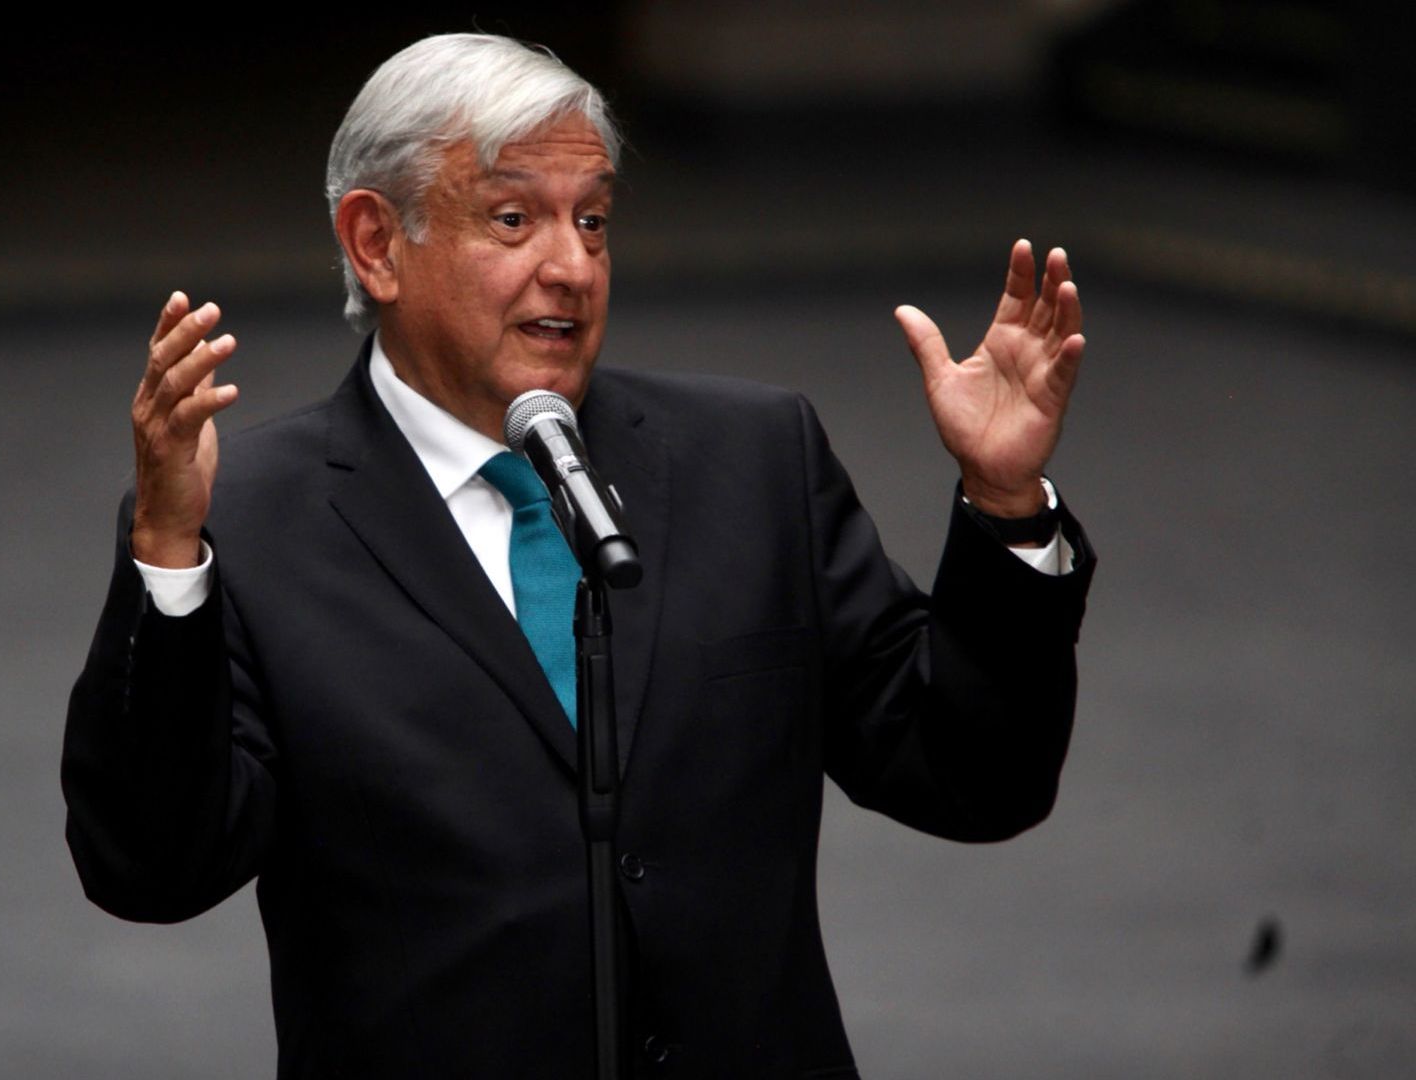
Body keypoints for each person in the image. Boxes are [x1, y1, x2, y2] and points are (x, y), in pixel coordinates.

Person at [63, 32, 1094, 1078]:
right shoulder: (249, 519)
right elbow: (153, 868)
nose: (572, 266)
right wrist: (168, 553)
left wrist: (1006, 504)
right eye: (513, 219)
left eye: (592, 220)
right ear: (377, 244)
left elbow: (976, 777)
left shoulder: (750, 461)